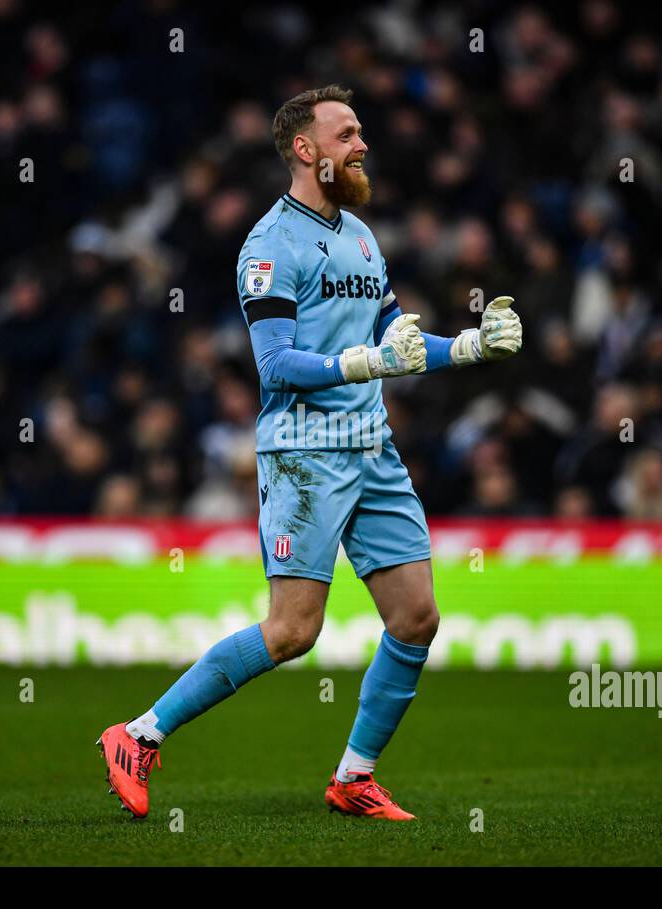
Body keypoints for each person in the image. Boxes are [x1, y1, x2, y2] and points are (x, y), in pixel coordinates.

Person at [98, 85, 522, 820]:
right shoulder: (268, 245)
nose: (363, 145)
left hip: (372, 449)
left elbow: (399, 342)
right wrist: (358, 364)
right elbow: (276, 366)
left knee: (416, 617)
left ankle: (354, 777)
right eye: (348, 133)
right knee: (294, 631)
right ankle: (138, 734)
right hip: (304, 453)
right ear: (307, 150)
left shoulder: (361, 236)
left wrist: (473, 347)